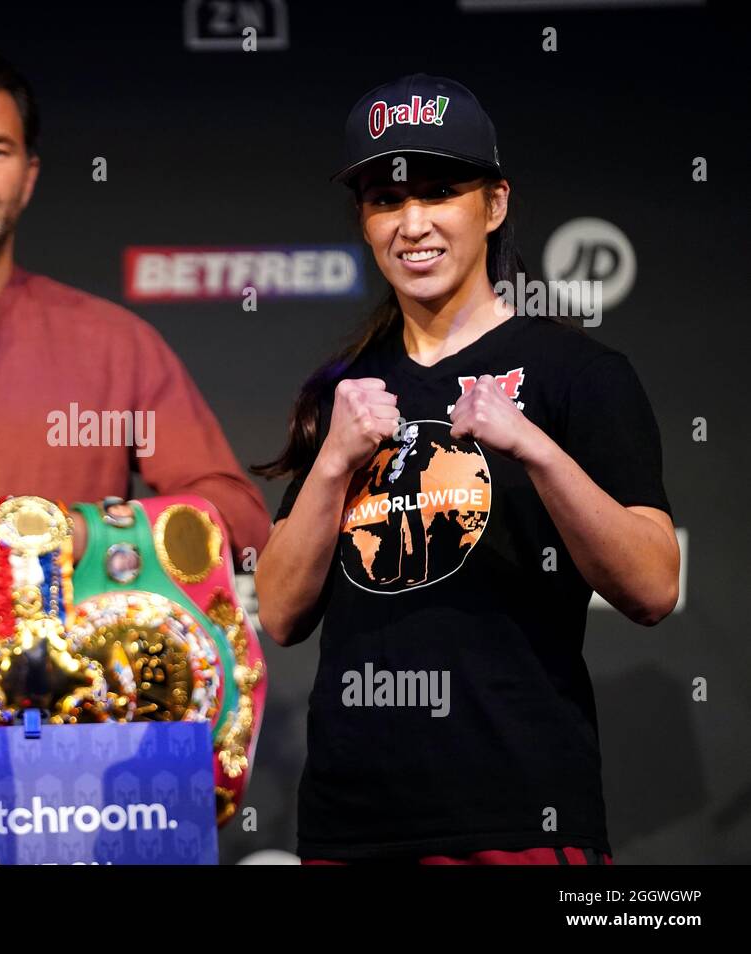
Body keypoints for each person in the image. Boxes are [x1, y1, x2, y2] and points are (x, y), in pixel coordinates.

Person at [254, 75, 679, 865]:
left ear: (494, 204)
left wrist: (536, 450)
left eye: (442, 191)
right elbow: (278, 614)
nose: (413, 224)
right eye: (386, 198)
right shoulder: (344, 391)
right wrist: (333, 463)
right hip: (354, 825)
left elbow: (654, 587)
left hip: (519, 815)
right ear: (365, 219)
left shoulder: (578, 375)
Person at [0, 49, 270, 597]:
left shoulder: (113, 343)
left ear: (28, 176)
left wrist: (81, 532)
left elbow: (240, 523)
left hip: (78, 675)